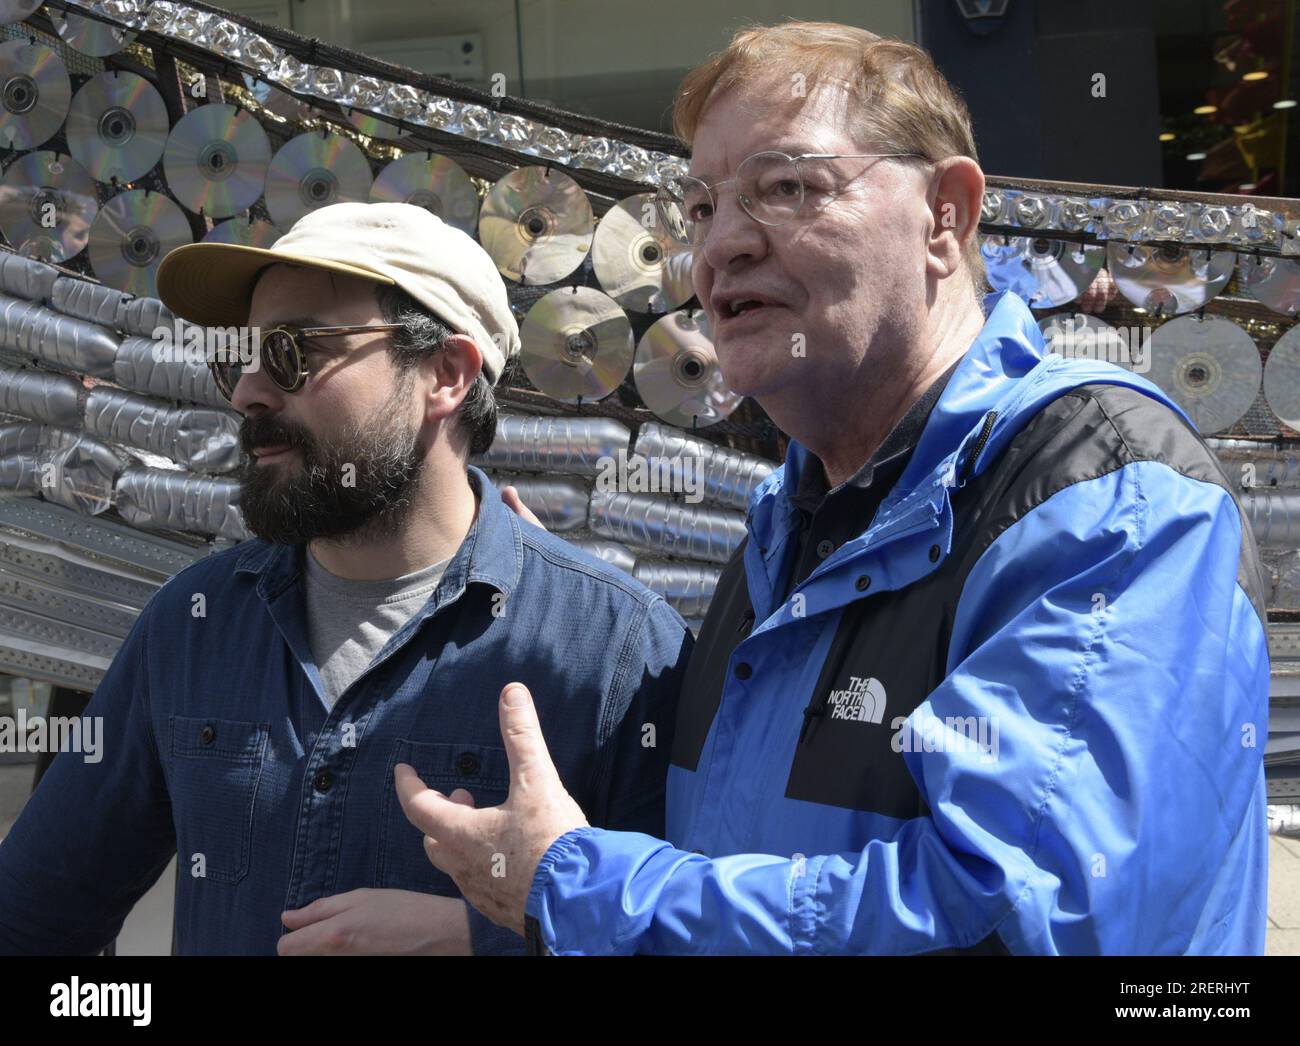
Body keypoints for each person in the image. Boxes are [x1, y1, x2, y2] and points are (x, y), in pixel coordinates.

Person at [396, 22, 1272, 955]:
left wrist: (577, 890)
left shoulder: (1105, 500)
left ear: (947, 215)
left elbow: (1031, 924)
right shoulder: (786, 533)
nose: (720, 245)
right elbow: (734, 863)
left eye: (786, 187)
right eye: (698, 207)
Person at [0, 202, 692, 955]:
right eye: (241, 357)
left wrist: (492, 937)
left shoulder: (616, 651)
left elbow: (678, 938)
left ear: (445, 375)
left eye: (294, 353)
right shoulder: (193, 627)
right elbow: (34, 920)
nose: (248, 392)